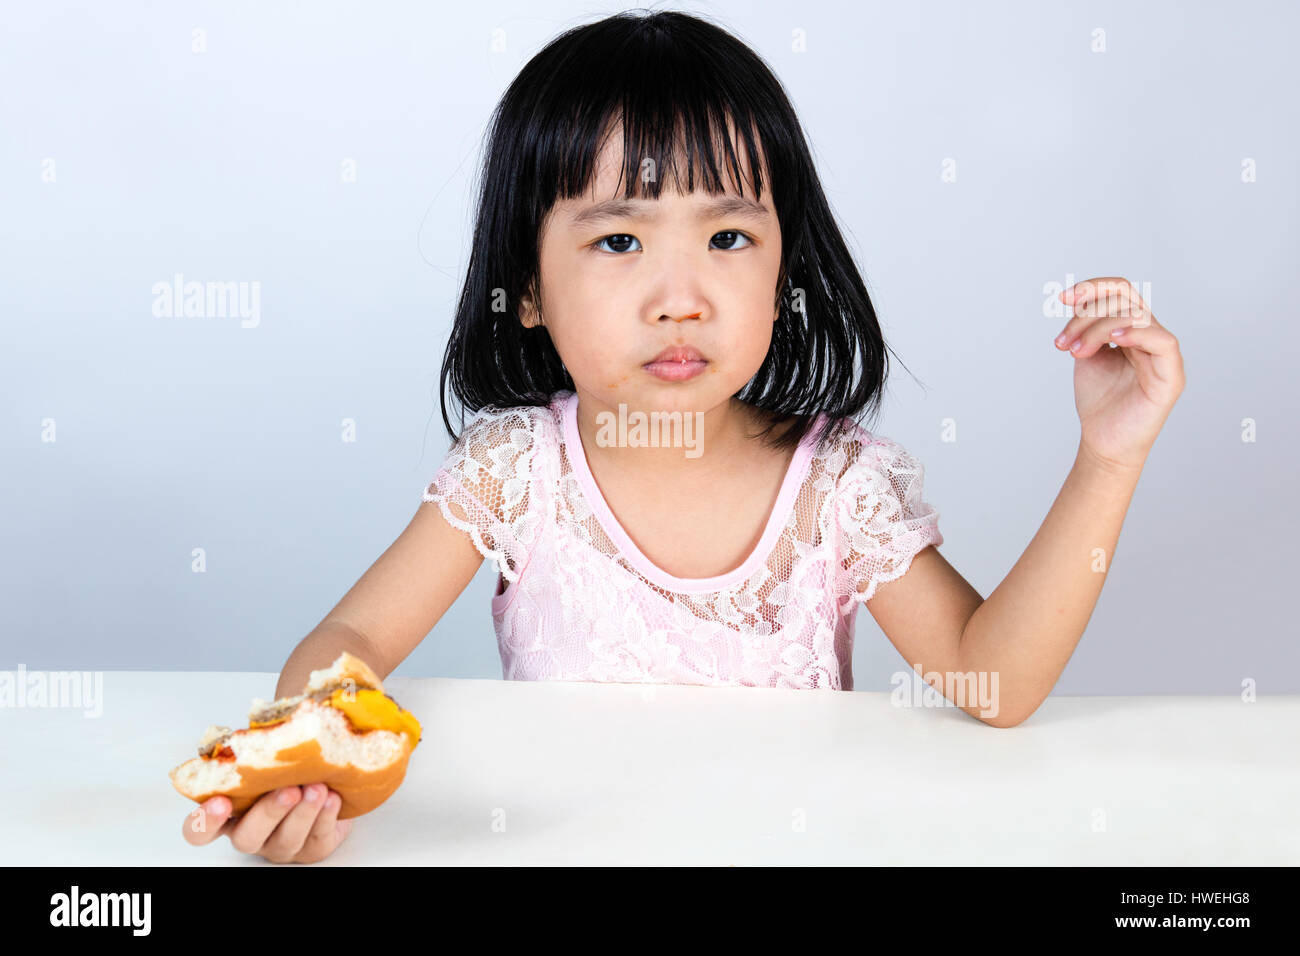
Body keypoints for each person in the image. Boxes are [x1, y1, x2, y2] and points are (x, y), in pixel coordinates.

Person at [184, 10, 1184, 862]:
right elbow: (352, 641)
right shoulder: (515, 472)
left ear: (784, 274)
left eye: (728, 237)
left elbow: (994, 682)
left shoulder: (836, 486)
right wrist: (304, 768)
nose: (680, 298)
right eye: (619, 240)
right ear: (527, 287)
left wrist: (1109, 453)